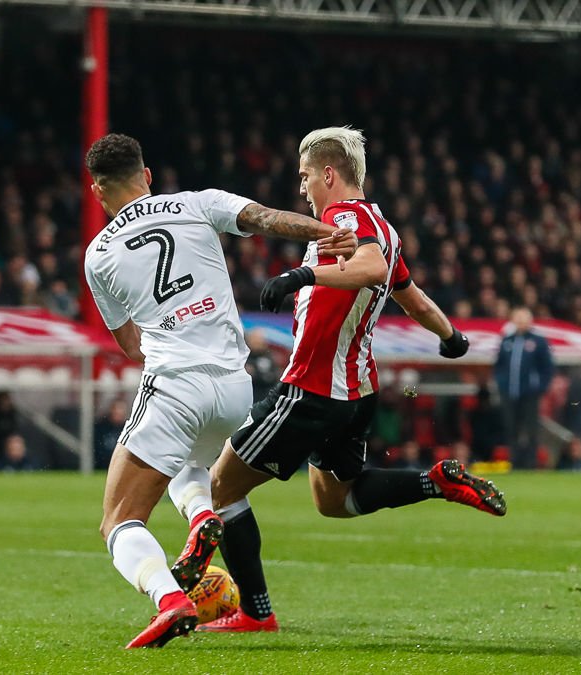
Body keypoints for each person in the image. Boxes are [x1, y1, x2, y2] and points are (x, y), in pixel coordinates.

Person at [200, 127, 502, 634]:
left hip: (310, 389)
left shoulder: (346, 219)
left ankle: (254, 612)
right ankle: (435, 481)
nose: (302, 190)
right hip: (356, 391)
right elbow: (411, 296)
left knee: (220, 488)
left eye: (304, 177)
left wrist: (302, 276)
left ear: (329, 173)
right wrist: (451, 336)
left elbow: (368, 266)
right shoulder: (385, 226)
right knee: (333, 501)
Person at [81, 132, 357, 649]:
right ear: (147, 176)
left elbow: (131, 346)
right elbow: (267, 219)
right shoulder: (195, 202)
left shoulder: (98, 255)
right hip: (234, 387)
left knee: (117, 520)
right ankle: (203, 512)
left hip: (174, 383)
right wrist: (327, 232)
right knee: (192, 464)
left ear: (97, 192)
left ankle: (169, 598)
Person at [494, 307, 555, 469]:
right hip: (509, 393)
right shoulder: (507, 340)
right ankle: (515, 462)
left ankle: (531, 463)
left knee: (531, 429)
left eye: (524, 320)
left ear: (530, 321)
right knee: (511, 428)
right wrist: (502, 385)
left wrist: (540, 387)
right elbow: (499, 366)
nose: (521, 323)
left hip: (530, 394)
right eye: (518, 320)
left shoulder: (538, 341)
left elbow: (547, 368)